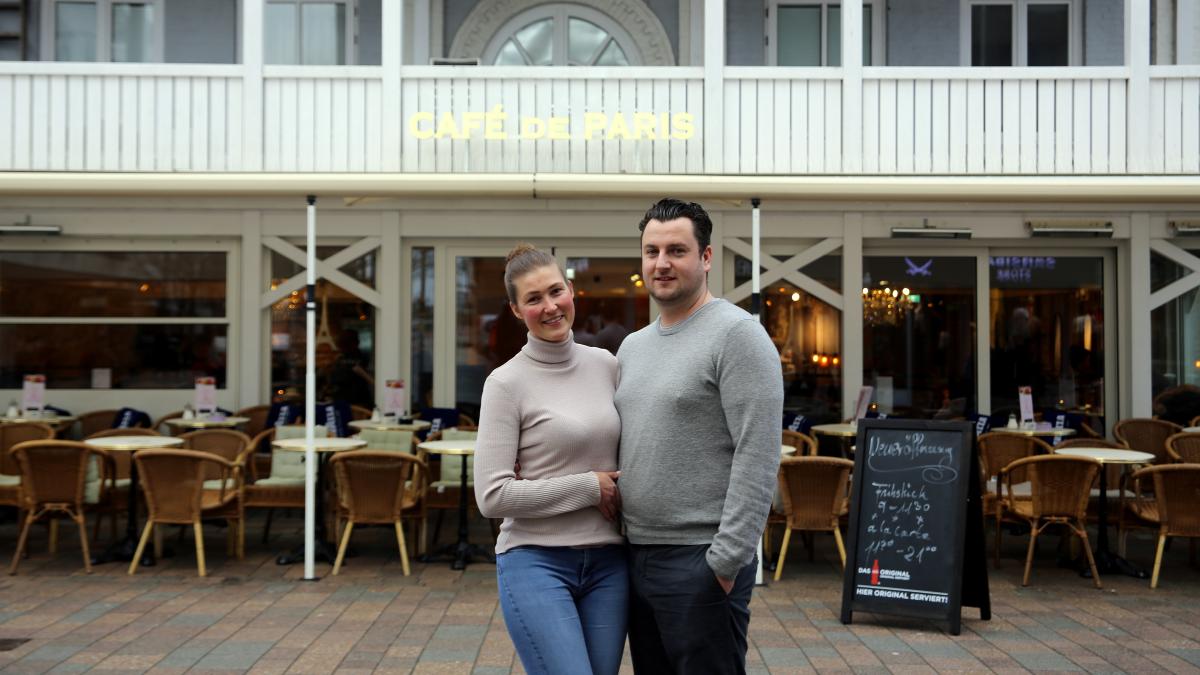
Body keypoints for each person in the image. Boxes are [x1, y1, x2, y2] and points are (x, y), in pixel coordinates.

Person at [615, 198, 783, 674]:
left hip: (701, 557)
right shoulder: (634, 346)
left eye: (676, 250)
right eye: (651, 251)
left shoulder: (737, 335)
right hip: (636, 553)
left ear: (706, 258)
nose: (661, 263)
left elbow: (759, 452)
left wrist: (725, 562)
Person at [474, 244, 627, 675]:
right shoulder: (504, 384)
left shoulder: (608, 366)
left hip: (609, 563)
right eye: (533, 299)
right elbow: (492, 496)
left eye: (555, 291)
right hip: (535, 560)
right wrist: (588, 486)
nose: (550, 306)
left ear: (571, 291)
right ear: (516, 310)